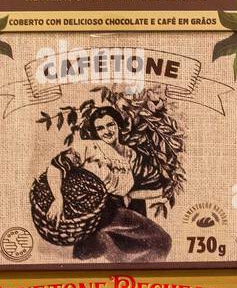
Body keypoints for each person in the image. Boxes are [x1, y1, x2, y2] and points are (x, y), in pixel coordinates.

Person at [42, 107, 172, 262]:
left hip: (123, 216)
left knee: (160, 241)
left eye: (111, 125)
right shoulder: (89, 148)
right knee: (96, 254)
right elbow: (56, 167)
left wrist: (130, 195)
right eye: (100, 128)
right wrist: (58, 198)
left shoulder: (132, 156)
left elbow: (159, 188)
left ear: (118, 125)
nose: (107, 131)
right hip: (93, 217)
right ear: (95, 132)